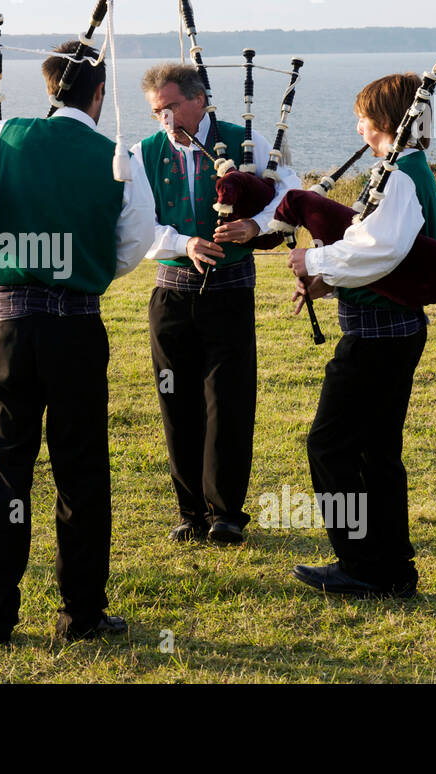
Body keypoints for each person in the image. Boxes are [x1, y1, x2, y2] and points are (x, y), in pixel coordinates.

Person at [0, 41, 155, 644]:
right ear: (99, 94)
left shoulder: (1, 135)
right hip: (77, 326)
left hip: (8, 325)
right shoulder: (119, 156)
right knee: (82, 471)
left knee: (4, 470)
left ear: (50, 86)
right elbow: (133, 243)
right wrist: (85, 268)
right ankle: (81, 616)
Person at [287, 72, 436, 598]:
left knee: (329, 446)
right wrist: (328, 282)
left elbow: (381, 250)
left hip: (377, 337)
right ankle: (392, 567)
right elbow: (381, 254)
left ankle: (361, 563)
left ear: (385, 123)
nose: (358, 126)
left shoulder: (400, 175)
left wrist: (314, 258)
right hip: (392, 330)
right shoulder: (409, 169)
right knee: (376, 452)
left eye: (363, 117)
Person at [132, 64, 298, 545]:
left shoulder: (243, 141)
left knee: (227, 400)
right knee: (176, 401)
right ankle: (190, 513)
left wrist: (257, 226)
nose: (165, 118)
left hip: (229, 290)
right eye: (156, 111)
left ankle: (225, 513)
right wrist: (183, 243)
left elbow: (289, 191)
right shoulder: (145, 153)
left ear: (199, 99)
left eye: (171, 106)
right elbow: (137, 224)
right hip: (171, 291)